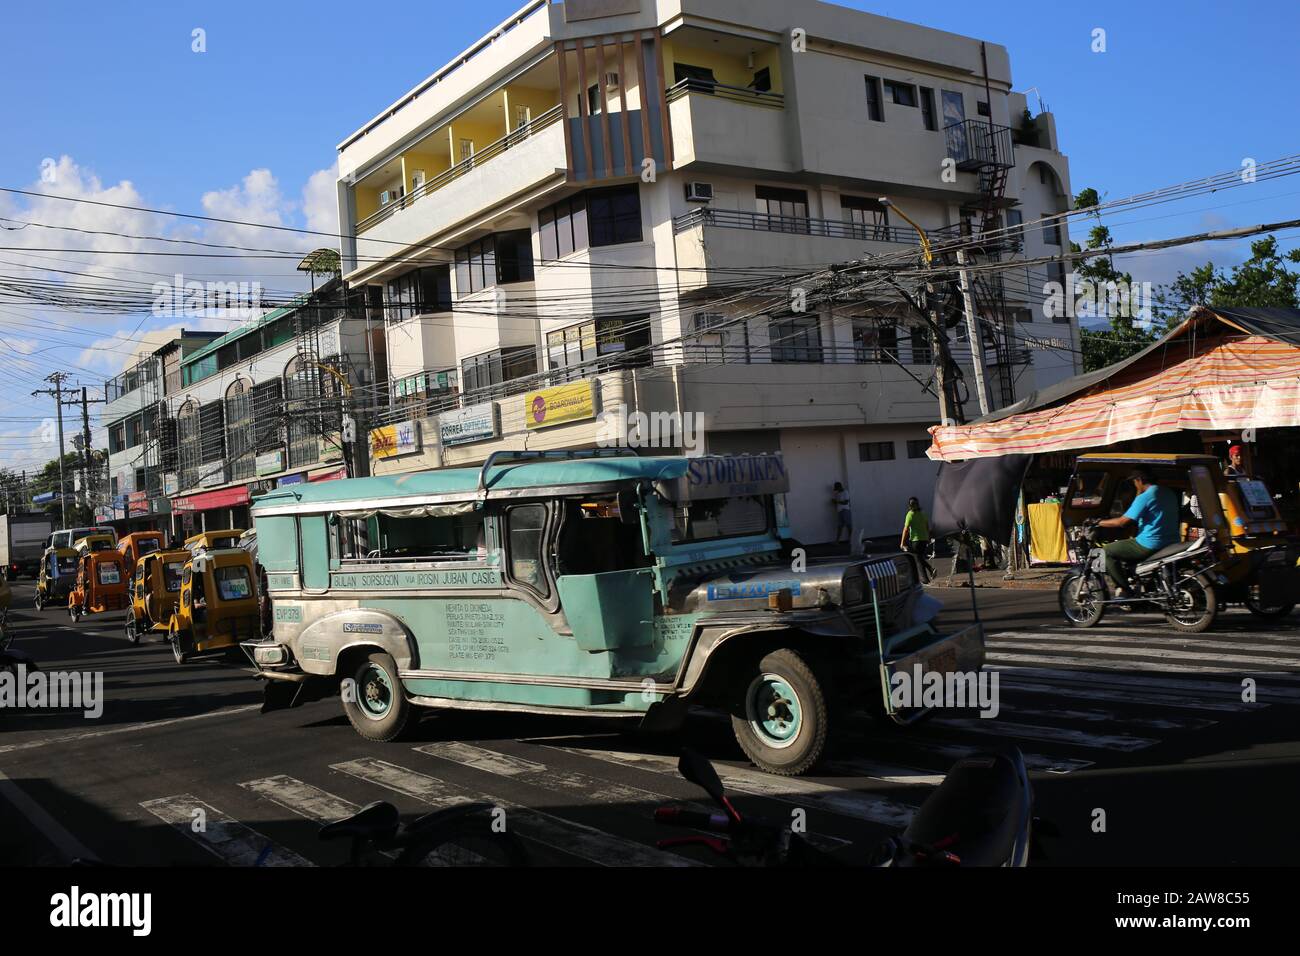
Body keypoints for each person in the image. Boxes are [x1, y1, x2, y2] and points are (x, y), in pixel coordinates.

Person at [1095, 467, 1181, 597]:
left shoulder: (1146, 496)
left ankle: (1125, 589)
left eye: (1134, 482)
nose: (1134, 485)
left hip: (1150, 543)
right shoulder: (1168, 492)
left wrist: (1098, 523)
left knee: (1107, 550)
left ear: (1139, 480)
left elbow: (1122, 522)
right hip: (1172, 541)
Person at [899, 497, 934, 579]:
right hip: (924, 539)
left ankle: (925, 578)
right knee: (919, 557)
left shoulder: (910, 515)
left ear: (909, 505)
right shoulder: (923, 514)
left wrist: (902, 543)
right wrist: (929, 538)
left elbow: (906, 529)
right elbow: (927, 526)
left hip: (915, 540)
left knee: (918, 559)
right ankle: (930, 570)